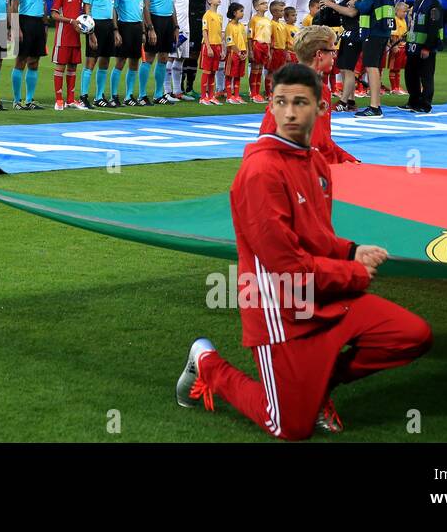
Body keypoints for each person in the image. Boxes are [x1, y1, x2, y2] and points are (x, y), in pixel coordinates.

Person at [175, 62, 431, 440]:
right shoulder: (260, 172)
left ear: (320, 108)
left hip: (321, 294)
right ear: (271, 107)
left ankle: (316, 385)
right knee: (289, 428)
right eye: (281, 102)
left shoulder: (314, 161)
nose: (290, 112)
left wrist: (351, 251)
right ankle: (207, 363)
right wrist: (354, 274)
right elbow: (284, 265)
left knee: (411, 335)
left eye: (300, 102)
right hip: (279, 309)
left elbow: (318, 236)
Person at [257, 26, 358, 165]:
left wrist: (346, 158)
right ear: (319, 55)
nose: (334, 55)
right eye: (332, 50)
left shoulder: (319, 88)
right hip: (300, 169)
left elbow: (323, 140)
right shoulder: (295, 89)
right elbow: (270, 139)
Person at [9, 0, 48, 109]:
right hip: (25, 21)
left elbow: (44, 3)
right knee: (21, 61)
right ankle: (17, 101)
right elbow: (14, 6)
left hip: (39, 22)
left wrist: (45, 25)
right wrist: (16, 28)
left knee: (34, 62)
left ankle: (29, 100)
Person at [401, 0, 443, 114]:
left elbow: (434, 26)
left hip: (425, 47)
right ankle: (413, 101)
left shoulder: (434, 2)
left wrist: (428, 47)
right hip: (413, 45)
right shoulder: (419, 0)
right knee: (410, 75)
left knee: (426, 76)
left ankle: (425, 105)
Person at [141, 0, 178, 104]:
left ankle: (158, 95)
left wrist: (175, 25)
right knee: (149, 57)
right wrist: (150, 28)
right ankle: (142, 95)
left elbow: (172, 4)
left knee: (163, 57)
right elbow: (145, 5)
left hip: (168, 20)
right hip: (154, 20)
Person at [81, 0, 117, 108]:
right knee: (91, 60)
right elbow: (87, 8)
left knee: (105, 61)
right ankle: (83, 96)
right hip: (96, 25)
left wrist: (115, 30)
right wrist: (90, 32)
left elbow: (113, 9)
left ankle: (99, 96)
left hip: (108, 24)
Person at [110, 0, 145, 107]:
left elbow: (141, 11)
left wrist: (143, 31)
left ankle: (129, 95)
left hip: (137, 27)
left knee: (134, 62)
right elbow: (114, 11)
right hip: (124, 27)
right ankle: (114, 95)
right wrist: (116, 30)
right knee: (120, 61)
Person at [49, 0, 83, 110]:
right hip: (63, 37)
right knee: (60, 67)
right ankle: (59, 100)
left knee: (73, 67)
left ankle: (70, 99)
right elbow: (54, 14)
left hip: (76, 36)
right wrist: (70, 21)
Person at [198, 0, 224, 105]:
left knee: (213, 72)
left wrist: (222, 48)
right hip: (209, 46)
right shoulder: (207, 15)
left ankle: (212, 96)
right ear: (209, 1)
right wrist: (208, 47)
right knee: (207, 72)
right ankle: (203, 97)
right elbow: (205, 31)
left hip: (217, 46)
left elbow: (219, 34)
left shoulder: (219, 16)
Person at [223, 2, 248, 104]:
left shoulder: (242, 26)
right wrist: (238, 53)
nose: (243, 13)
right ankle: (229, 96)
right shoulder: (229, 26)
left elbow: (244, 40)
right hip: (233, 54)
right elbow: (230, 42)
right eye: (241, 11)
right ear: (234, 13)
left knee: (238, 75)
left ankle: (237, 95)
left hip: (241, 54)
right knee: (230, 75)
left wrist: (245, 52)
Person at [248, 0, 272, 104]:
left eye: (266, 3)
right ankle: (253, 94)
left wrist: (269, 50)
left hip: (265, 46)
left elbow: (269, 36)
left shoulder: (268, 20)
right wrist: (251, 50)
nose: (266, 5)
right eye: (262, 3)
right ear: (256, 7)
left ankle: (257, 93)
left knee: (260, 70)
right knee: (255, 69)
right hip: (257, 44)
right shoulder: (253, 19)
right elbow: (250, 36)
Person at [387, 0, 408, 95]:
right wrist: (394, 46)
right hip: (396, 47)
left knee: (398, 68)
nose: (405, 13)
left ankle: (397, 86)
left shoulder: (403, 20)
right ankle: (393, 88)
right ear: (397, 11)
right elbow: (393, 35)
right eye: (403, 11)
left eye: (406, 12)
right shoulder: (394, 20)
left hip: (403, 47)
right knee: (394, 68)